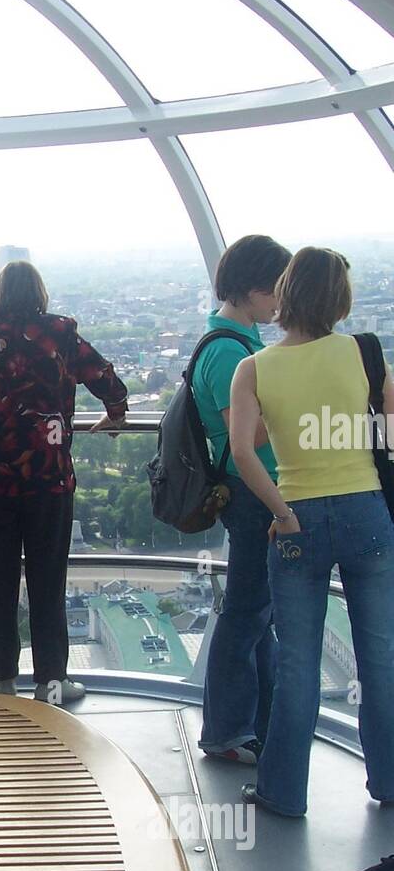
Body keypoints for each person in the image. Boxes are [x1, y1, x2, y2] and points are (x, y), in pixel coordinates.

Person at [230, 246, 394, 818]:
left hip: (297, 518)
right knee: (380, 653)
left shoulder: (254, 367)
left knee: (298, 661)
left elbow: (242, 450)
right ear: (341, 299)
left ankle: (284, 792)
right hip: (366, 510)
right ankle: (390, 780)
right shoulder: (365, 354)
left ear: (286, 290)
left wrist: (282, 512)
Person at [0, 261, 127, 706]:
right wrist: (115, 411)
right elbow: (106, 378)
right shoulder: (59, 331)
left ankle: (1, 679)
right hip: (47, 476)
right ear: (40, 292)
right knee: (47, 579)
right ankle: (50, 682)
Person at [193, 234, 292, 766]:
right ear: (254, 290)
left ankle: (252, 725)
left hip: (257, 494)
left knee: (255, 614)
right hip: (253, 495)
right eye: (276, 291)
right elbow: (246, 438)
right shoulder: (230, 350)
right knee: (247, 613)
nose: (281, 303)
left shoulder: (238, 337)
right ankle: (228, 730)